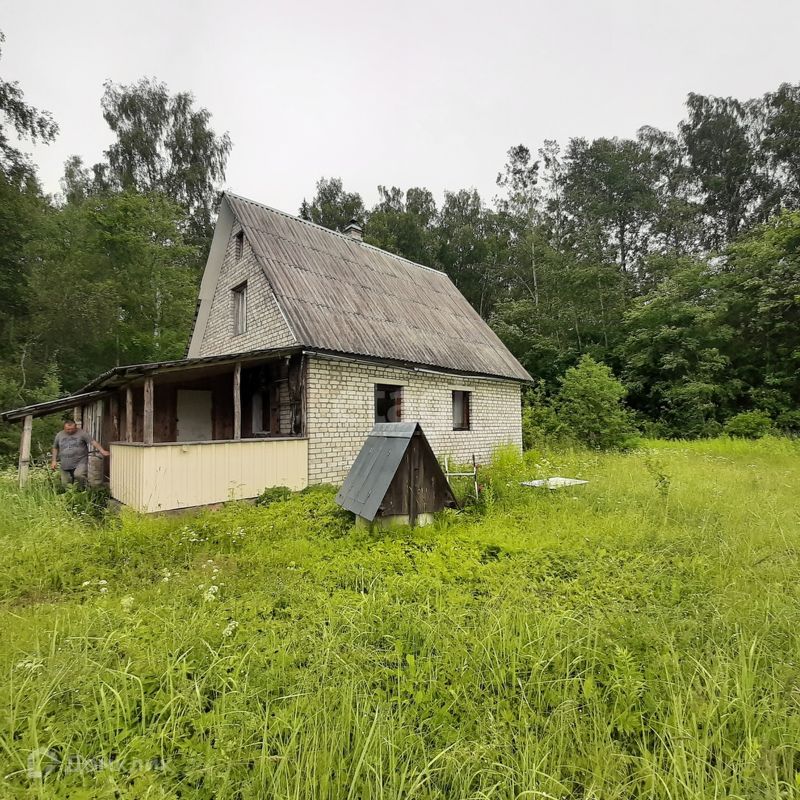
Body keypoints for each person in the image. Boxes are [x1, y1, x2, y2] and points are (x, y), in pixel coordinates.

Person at [51, 420, 109, 488]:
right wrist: (53, 460)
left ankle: (83, 490)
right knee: (65, 483)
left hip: (80, 461)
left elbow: (93, 442)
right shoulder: (59, 435)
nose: (70, 431)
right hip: (65, 462)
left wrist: (102, 451)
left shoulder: (82, 433)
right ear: (64, 428)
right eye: (68, 429)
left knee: (79, 475)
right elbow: (55, 448)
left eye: (72, 429)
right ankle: (72, 496)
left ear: (75, 427)